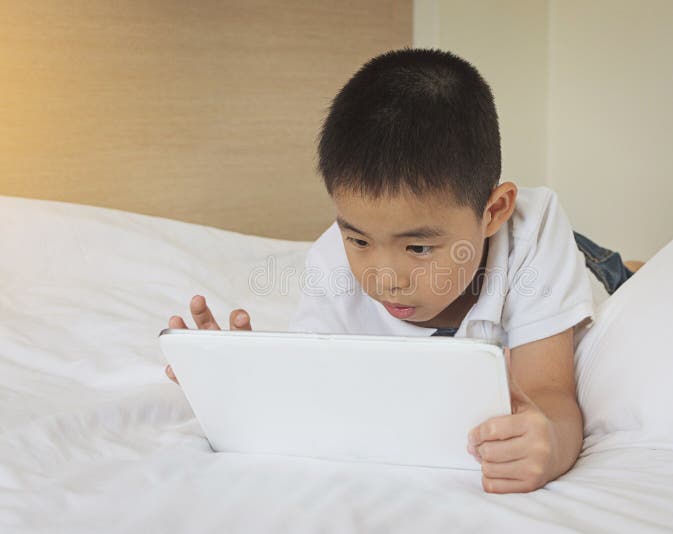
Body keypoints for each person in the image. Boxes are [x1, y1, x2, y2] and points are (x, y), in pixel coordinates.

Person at [164, 48, 642, 494]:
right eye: (358, 239)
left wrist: (550, 443)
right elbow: (318, 392)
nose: (384, 277)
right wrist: (241, 385)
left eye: (417, 246)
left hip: (580, 259)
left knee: (619, 276)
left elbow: (549, 393)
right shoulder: (332, 263)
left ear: (493, 210)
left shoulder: (532, 231)